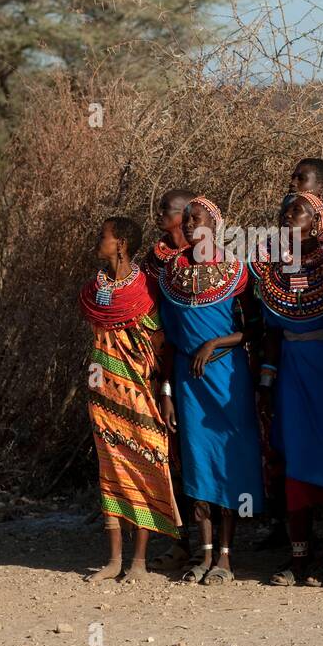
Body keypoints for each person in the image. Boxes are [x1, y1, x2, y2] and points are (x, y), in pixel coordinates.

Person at [252, 193, 323, 586]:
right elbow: (272, 332)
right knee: (296, 462)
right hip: (294, 373)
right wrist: (266, 378)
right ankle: (298, 555)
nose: (287, 216)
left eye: (297, 211)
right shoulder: (275, 269)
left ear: (317, 221)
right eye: (284, 211)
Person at [156, 196, 264, 584]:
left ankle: (225, 558)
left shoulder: (238, 271)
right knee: (198, 463)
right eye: (185, 219)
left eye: (196, 218)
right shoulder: (171, 274)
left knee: (229, 463)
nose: (188, 224)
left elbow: (255, 327)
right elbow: (167, 339)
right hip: (189, 382)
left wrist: (214, 344)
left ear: (215, 224)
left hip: (227, 379)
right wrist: (166, 391)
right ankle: (202, 555)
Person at [79, 216, 181, 582]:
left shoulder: (147, 289)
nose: (97, 240)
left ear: (121, 243)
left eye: (103, 236)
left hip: (141, 394)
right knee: (110, 471)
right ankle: (113, 561)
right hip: (103, 393)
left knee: (145, 466)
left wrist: (163, 390)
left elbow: (162, 345)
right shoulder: (95, 289)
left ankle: (138, 562)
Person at [142, 188, 196, 573]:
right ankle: (180, 540)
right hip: (158, 358)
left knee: (196, 452)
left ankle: (210, 543)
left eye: (169, 209)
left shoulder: (207, 259)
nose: (160, 213)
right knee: (167, 452)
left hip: (196, 363)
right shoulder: (155, 257)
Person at [142, 188, 194, 282]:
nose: (159, 212)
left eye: (166, 208)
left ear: (186, 214)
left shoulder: (201, 255)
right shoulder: (152, 258)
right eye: (160, 207)